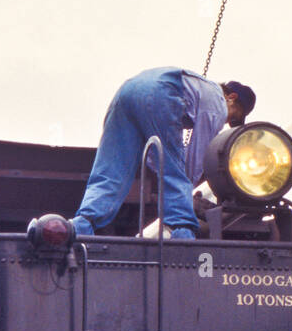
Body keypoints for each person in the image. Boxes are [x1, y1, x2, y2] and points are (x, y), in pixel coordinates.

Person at [69, 68, 255, 240]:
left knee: (112, 166)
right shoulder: (217, 101)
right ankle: (182, 232)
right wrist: (186, 194)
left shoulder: (200, 88)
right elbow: (198, 154)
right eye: (233, 116)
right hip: (162, 92)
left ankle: (83, 223)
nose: (226, 122)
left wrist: (166, 170)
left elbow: (155, 155)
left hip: (127, 90)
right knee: (174, 168)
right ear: (231, 97)